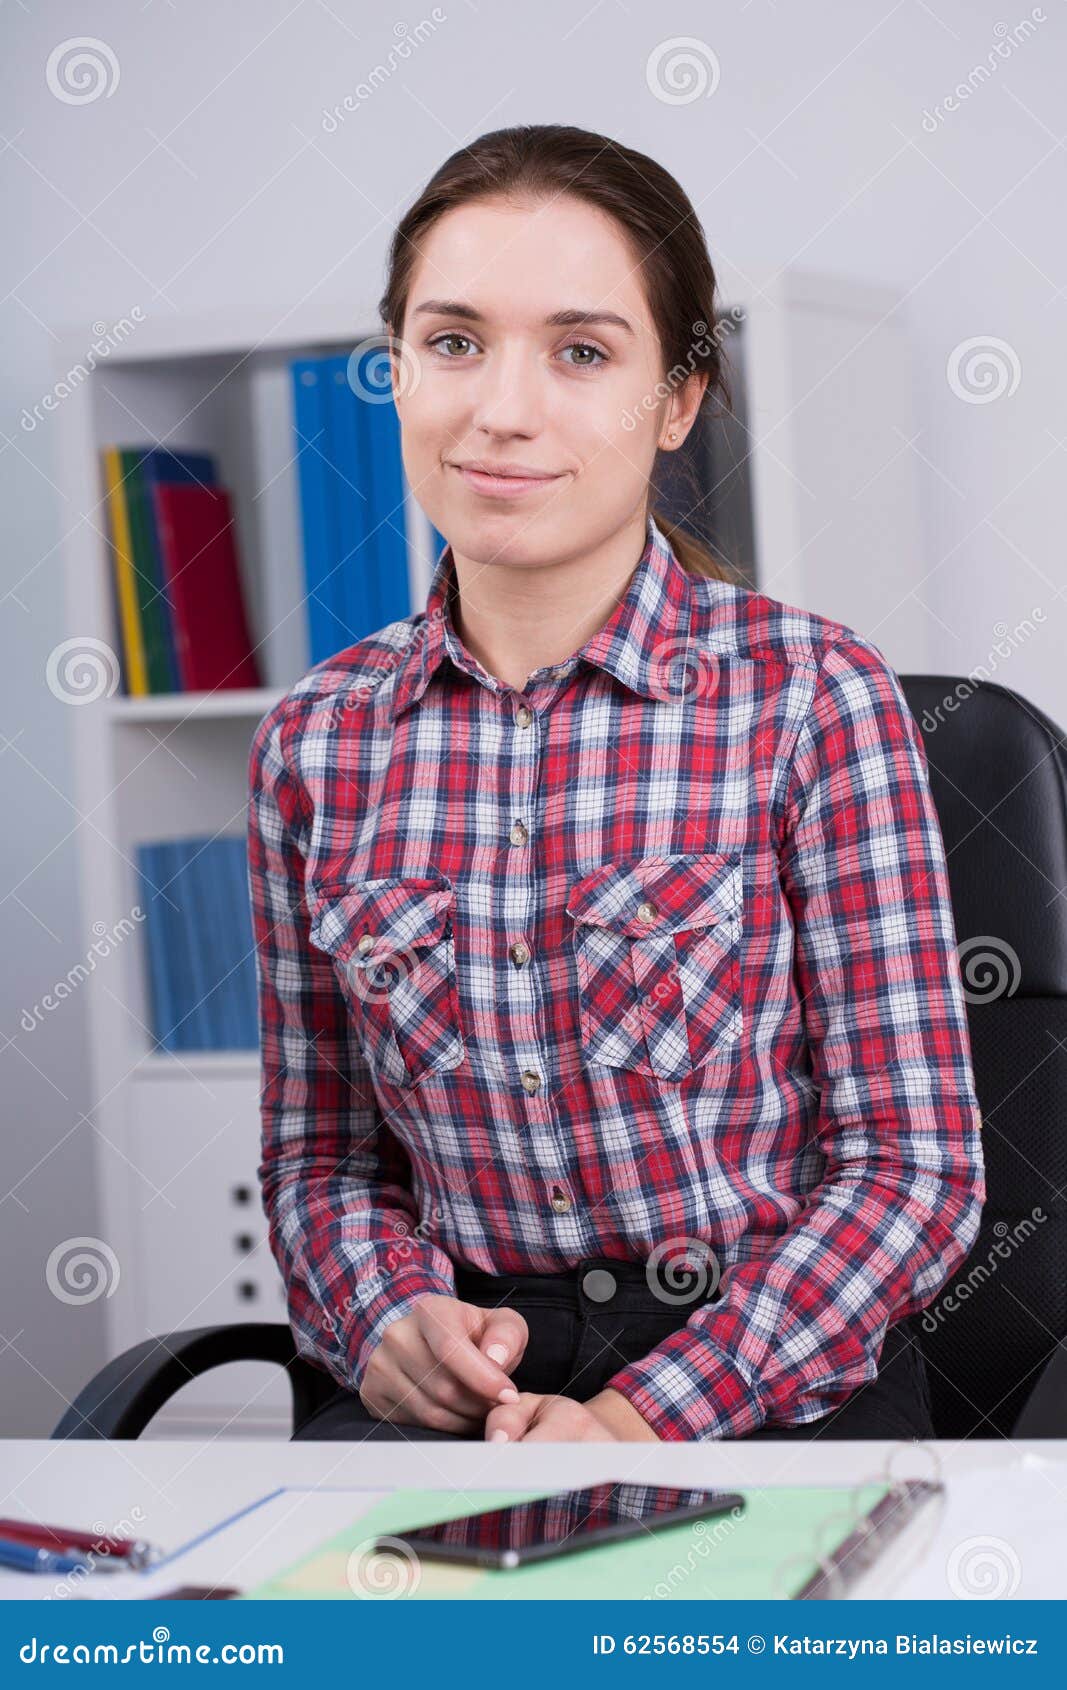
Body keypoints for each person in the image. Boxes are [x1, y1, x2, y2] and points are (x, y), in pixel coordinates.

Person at [246, 123, 985, 1445]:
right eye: (453, 341)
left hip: (759, 1380)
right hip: (466, 1388)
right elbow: (320, 1165)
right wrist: (385, 1313)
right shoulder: (315, 744)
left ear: (679, 398)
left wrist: (648, 1412)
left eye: (582, 351)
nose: (502, 408)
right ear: (399, 370)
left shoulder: (812, 698)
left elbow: (914, 1176)